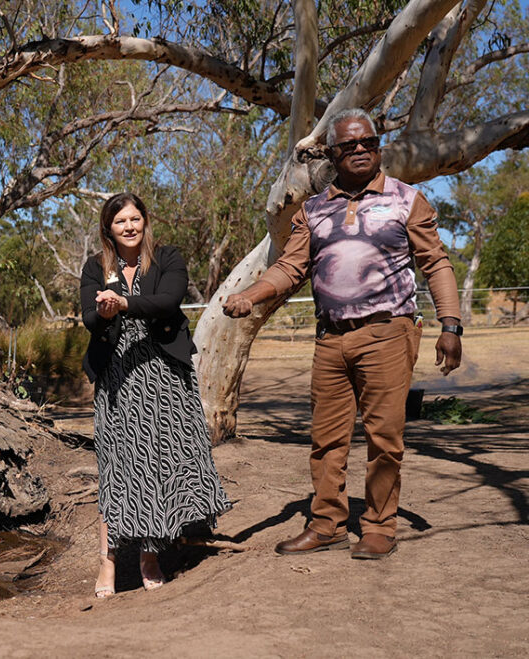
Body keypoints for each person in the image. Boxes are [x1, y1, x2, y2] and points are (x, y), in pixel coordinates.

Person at [223, 108, 463, 559]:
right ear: (332, 154)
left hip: (387, 333)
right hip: (330, 339)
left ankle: (378, 525)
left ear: (378, 147)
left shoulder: (407, 199)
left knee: (384, 438)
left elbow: (435, 263)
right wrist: (251, 296)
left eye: (367, 143)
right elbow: (291, 267)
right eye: (348, 145)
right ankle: (328, 523)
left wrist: (450, 324)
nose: (359, 150)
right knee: (325, 439)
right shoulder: (313, 210)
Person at [81, 192, 231, 597]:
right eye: (120, 222)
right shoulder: (96, 267)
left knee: (159, 462)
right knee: (118, 466)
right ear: (108, 229)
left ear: (145, 221)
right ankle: (108, 561)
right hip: (117, 377)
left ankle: (150, 555)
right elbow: (88, 316)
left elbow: (169, 301)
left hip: (163, 373)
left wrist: (124, 303)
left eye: (135, 219)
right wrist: (105, 313)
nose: (129, 227)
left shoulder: (167, 257)